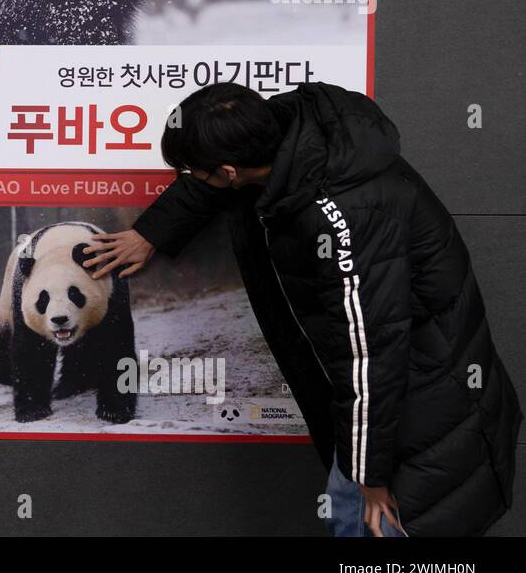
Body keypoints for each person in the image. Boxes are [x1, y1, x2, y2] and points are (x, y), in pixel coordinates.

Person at [82, 80, 521, 537]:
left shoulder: (343, 216)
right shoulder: (288, 131)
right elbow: (212, 179)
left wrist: (369, 477)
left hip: (421, 409)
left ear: (230, 172)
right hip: (388, 408)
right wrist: (152, 231)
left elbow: (372, 352)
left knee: (372, 529)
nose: (197, 179)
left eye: (198, 171)